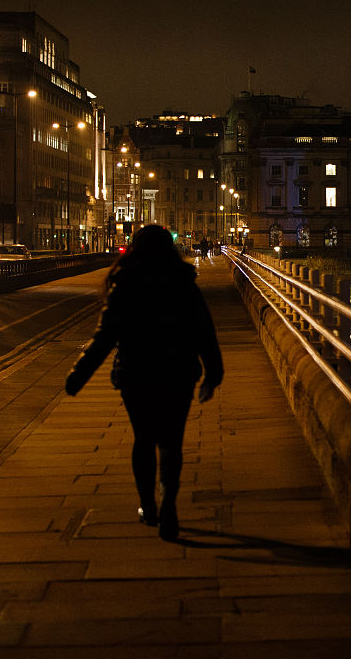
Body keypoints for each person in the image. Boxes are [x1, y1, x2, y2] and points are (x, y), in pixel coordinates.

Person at [64, 224, 223, 541]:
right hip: (178, 372)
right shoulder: (183, 282)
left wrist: (79, 375)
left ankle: (148, 506)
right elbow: (204, 331)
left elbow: (105, 336)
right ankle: (170, 508)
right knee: (171, 443)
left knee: (144, 439)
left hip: (136, 373)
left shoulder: (125, 284)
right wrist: (213, 374)